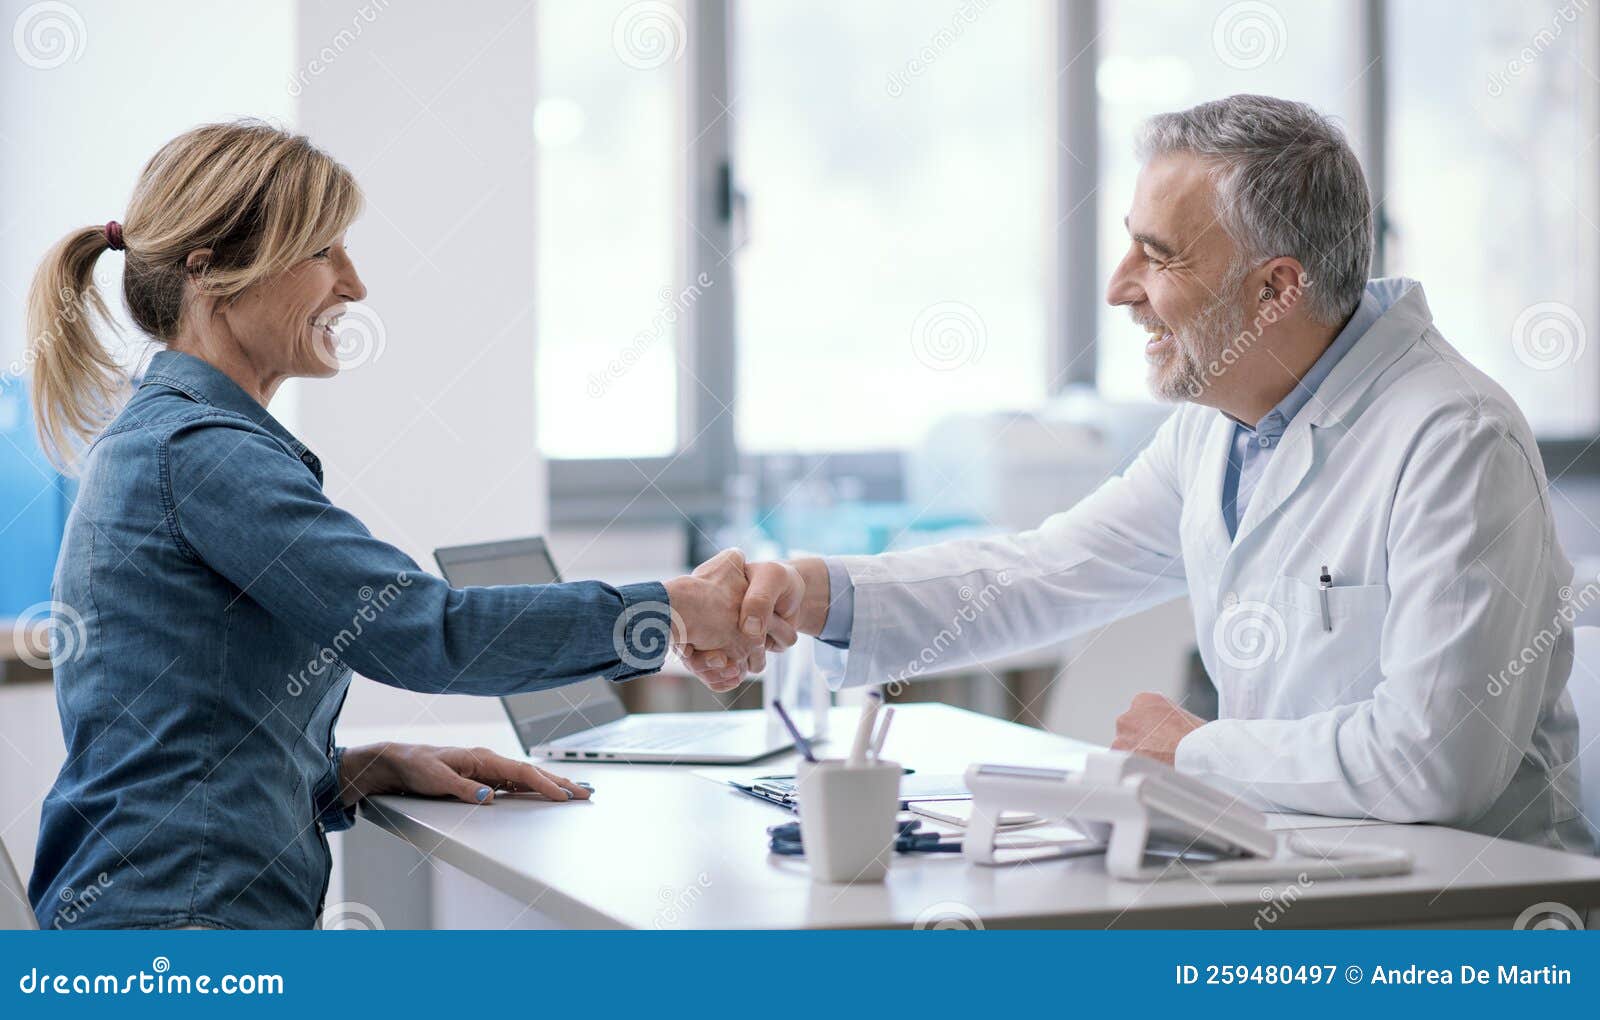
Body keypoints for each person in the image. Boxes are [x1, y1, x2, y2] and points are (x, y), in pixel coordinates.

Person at [683, 94, 1592, 853]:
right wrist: (809, 593)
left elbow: (1435, 762)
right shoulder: (1226, 428)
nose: (1119, 287)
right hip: (1302, 874)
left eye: (1158, 257)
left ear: (1277, 289)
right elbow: (1043, 573)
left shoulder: (1453, 442)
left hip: (1475, 918)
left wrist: (1193, 751)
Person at [23, 120, 795, 929]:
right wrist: (669, 609)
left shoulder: (169, 440)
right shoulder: (199, 453)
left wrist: (353, 769)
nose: (353, 286)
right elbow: (426, 632)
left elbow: (191, 725)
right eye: (323, 251)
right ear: (211, 272)